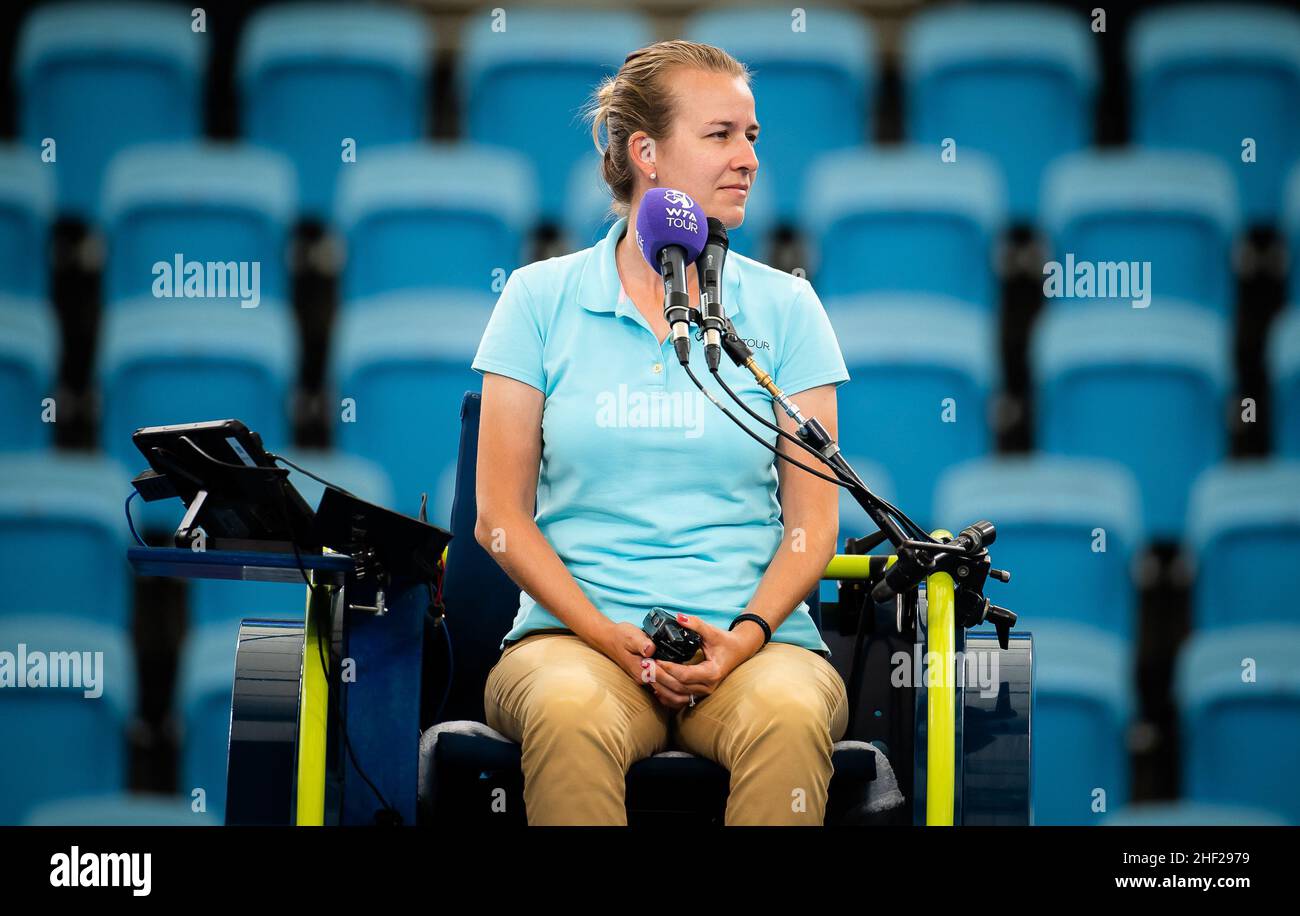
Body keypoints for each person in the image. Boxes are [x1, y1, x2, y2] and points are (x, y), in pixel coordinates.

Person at [471, 40, 851, 825]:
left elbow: (815, 527)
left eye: (752, 136)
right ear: (645, 152)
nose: (747, 158)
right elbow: (498, 520)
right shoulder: (537, 299)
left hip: (756, 646)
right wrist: (606, 636)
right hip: (573, 643)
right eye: (720, 135)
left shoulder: (787, 308)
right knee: (571, 711)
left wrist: (742, 640)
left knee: (788, 712)